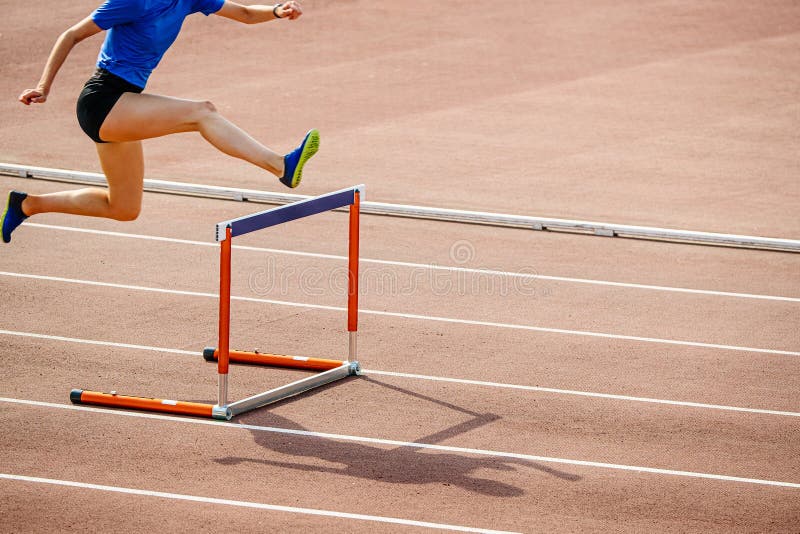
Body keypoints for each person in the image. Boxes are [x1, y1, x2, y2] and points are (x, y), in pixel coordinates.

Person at [3, 0, 319, 243]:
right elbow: (71, 35)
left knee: (123, 208)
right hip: (103, 101)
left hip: (125, 104)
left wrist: (276, 11)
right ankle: (281, 166)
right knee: (202, 112)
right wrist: (43, 87)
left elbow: (245, 14)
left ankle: (26, 205)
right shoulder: (132, 2)